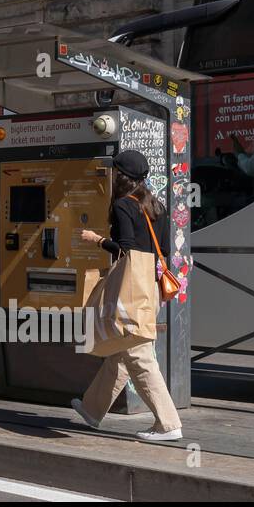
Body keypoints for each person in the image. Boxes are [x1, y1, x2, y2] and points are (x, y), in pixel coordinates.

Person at [70, 149, 182, 442]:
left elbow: (124, 249)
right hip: (152, 288)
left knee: (139, 355)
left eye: (114, 172)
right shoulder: (157, 206)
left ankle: (168, 424)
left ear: (121, 176)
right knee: (124, 349)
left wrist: (97, 240)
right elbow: (166, 250)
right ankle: (93, 410)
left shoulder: (123, 205)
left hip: (132, 289)